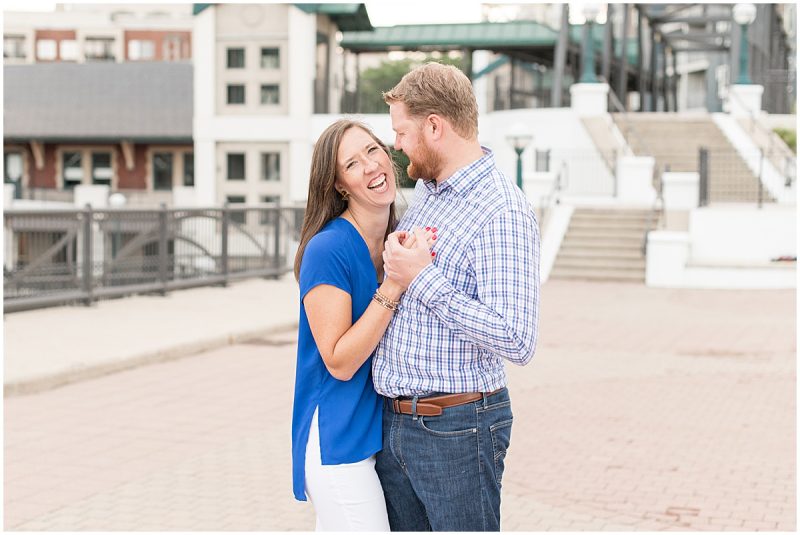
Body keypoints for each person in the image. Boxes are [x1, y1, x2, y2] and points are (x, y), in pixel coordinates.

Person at [374, 62, 541, 531]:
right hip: (396, 423)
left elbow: (517, 338)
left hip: (457, 428)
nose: (396, 143)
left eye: (402, 131)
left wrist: (422, 277)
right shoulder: (428, 192)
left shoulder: (501, 211)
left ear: (434, 126)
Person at [291, 119, 434, 531]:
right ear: (339, 185)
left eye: (373, 151)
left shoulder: (396, 237)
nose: (371, 166)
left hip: (377, 436)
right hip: (338, 441)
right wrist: (393, 285)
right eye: (352, 164)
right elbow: (338, 361)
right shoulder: (329, 248)